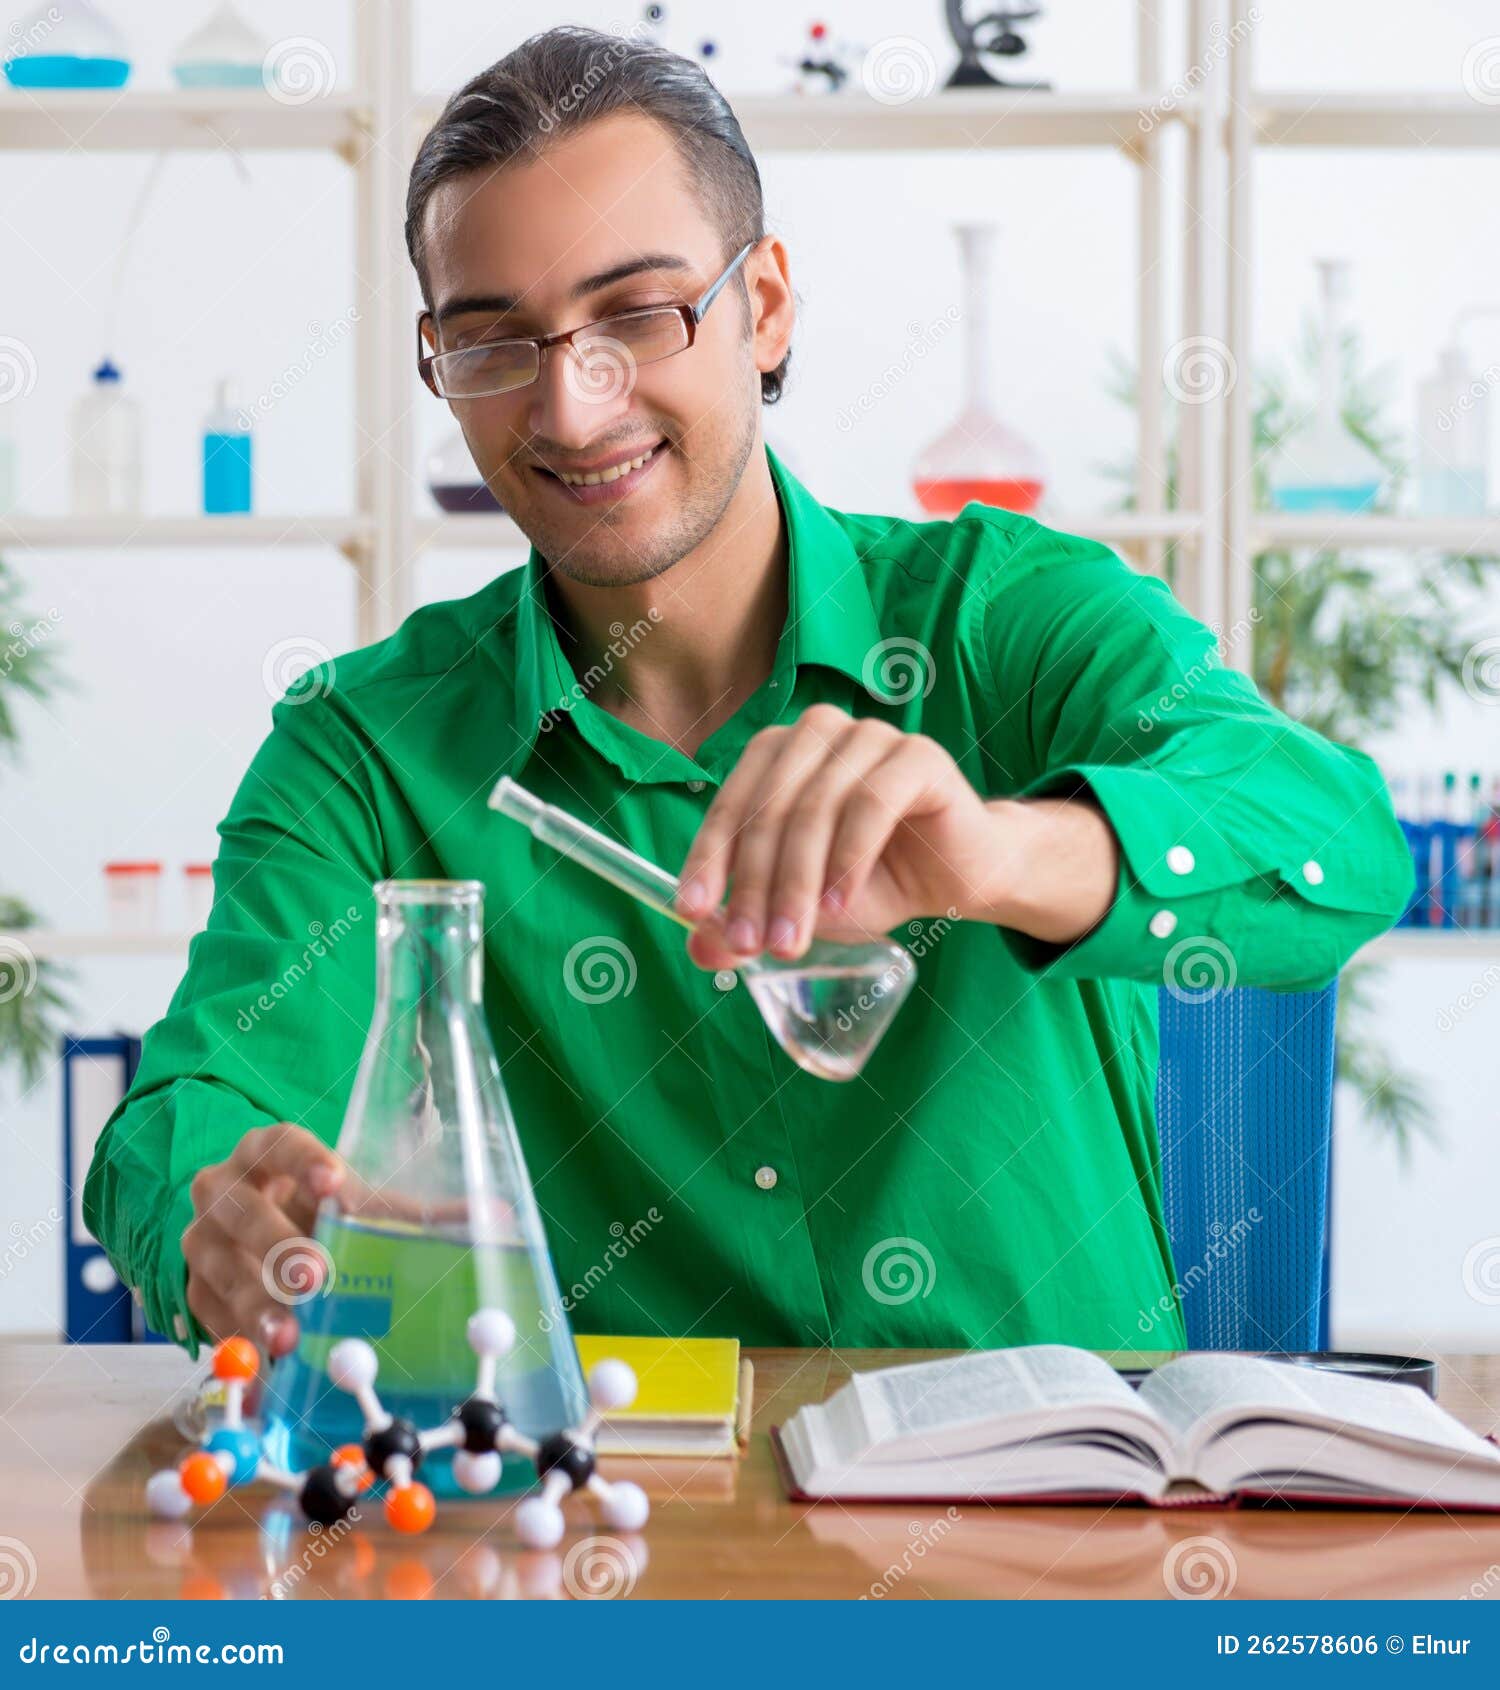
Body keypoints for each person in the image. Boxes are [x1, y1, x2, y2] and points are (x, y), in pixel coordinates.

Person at [85, 27, 1412, 1361]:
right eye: (495, 343)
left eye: (638, 314)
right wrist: (223, 1211)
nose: (571, 405)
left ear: (764, 306)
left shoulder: (1007, 618)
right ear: (440, 365)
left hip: (1056, 1524)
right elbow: (196, 1102)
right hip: (618, 1535)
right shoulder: (366, 752)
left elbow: (1339, 846)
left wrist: (1006, 851)